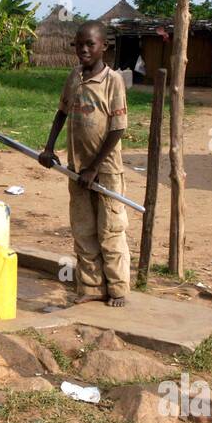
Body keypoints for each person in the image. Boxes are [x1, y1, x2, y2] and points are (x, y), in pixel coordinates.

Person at [38, 21, 132, 307]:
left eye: (90, 44)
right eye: (79, 44)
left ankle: (117, 289)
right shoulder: (75, 76)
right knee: (83, 230)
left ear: (104, 46)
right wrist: (50, 147)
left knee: (110, 231)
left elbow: (117, 129)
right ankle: (91, 287)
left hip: (105, 171)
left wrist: (95, 168)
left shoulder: (113, 80)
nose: (84, 50)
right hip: (76, 168)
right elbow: (62, 113)